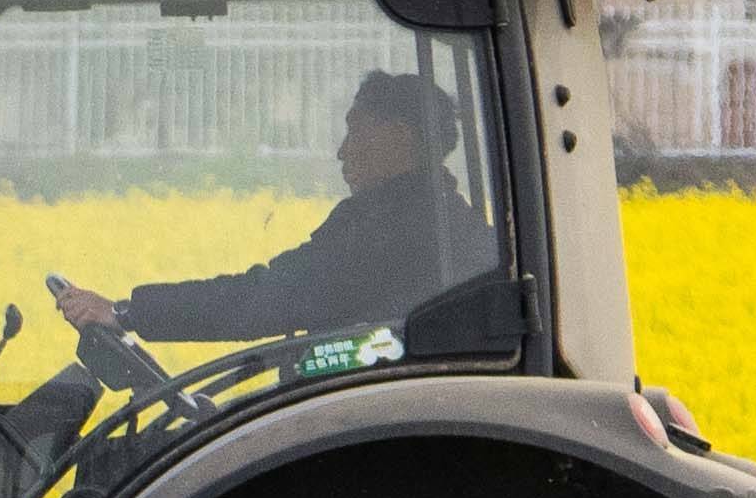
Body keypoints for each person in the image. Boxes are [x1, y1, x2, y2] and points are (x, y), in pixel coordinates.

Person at [49, 69, 487, 354]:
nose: (341, 152)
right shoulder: (433, 219)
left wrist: (127, 313)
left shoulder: (394, 231)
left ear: (398, 138)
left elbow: (266, 297)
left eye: (356, 132)